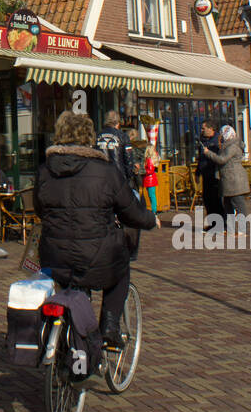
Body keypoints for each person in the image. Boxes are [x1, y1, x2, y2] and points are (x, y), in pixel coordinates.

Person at [34, 111, 158, 349]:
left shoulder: (44, 171)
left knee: (70, 281)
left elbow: (41, 210)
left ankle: (67, 341)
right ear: (89, 137)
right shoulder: (105, 171)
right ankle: (110, 327)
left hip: (54, 256)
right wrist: (150, 220)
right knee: (121, 269)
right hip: (97, 257)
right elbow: (130, 211)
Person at [199, 124, 249, 227]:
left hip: (234, 180)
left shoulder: (232, 146)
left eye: (222, 135)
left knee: (238, 204)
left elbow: (222, 159)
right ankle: (229, 227)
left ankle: (242, 228)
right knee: (228, 205)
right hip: (228, 180)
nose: (220, 137)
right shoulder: (226, 145)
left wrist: (208, 153)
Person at [97, 110, 138, 186]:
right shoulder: (123, 136)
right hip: (118, 178)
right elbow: (128, 160)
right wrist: (129, 177)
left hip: (101, 178)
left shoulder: (97, 136)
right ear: (118, 123)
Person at [196, 121, 224, 220]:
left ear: (210, 128)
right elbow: (201, 157)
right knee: (207, 199)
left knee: (216, 199)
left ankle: (221, 222)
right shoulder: (202, 141)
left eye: (204, 128)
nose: (202, 130)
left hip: (214, 173)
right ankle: (212, 222)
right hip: (205, 174)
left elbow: (220, 157)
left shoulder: (218, 140)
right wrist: (198, 173)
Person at [142, 144, 161, 226]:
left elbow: (150, 170)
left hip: (149, 180)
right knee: (152, 196)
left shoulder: (148, 160)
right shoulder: (152, 159)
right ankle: (154, 211)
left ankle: (154, 212)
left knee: (151, 196)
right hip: (151, 179)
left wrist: (143, 170)